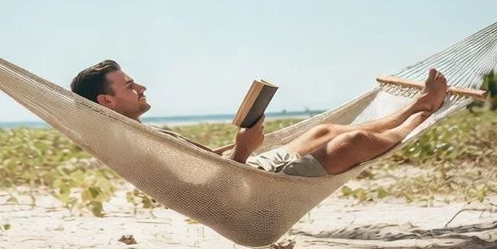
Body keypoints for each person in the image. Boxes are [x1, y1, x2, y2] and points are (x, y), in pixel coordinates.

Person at [70, 59, 449, 177]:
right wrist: (242, 151)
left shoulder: (133, 133)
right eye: (130, 86)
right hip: (254, 186)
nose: (142, 87)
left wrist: (243, 146)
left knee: (324, 129)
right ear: (107, 100)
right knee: (353, 142)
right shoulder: (132, 145)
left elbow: (200, 165)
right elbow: (207, 194)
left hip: (250, 169)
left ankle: (411, 108)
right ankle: (422, 111)